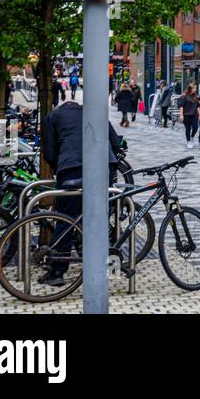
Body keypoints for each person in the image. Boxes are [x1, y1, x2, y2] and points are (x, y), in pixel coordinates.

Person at [39, 94, 122, 286]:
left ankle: (57, 272)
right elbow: (116, 143)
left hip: (71, 169)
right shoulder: (94, 112)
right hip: (103, 167)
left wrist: (59, 167)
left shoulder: (52, 117)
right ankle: (108, 270)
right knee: (100, 218)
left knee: (65, 218)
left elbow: (50, 153)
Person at [179, 83, 199, 148]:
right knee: (188, 129)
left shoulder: (196, 96)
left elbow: (197, 106)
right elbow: (181, 106)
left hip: (194, 115)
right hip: (186, 115)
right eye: (195, 88)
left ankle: (192, 136)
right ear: (191, 89)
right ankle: (188, 142)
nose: (196, 89)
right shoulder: (184, 97)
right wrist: (181, 115)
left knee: (195, 127)